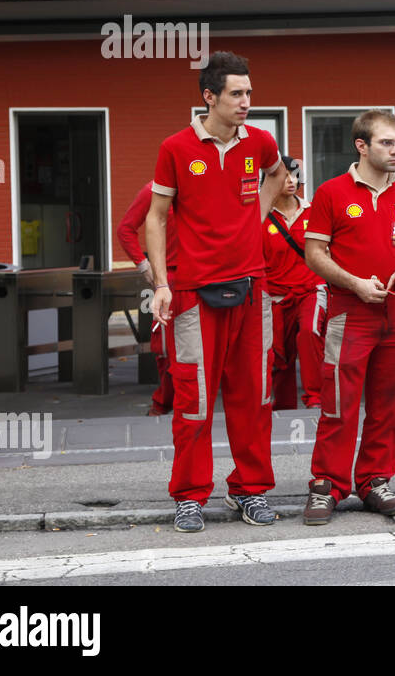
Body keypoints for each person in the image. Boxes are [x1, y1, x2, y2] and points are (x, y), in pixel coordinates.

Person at [147, 52, 288, 533]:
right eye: (237, 94)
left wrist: (258, 216)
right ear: (209, 97)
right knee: (195, 399)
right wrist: (162, 283)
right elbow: (155, 217)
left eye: (249, 93)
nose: (247, 102)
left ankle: (250, 491)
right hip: (192, 292)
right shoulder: (177, 148)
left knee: (255, 396)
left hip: (252, 288)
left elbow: (276, 173)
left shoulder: (261, 142)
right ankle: (189, 496)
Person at [301, 110, 395, 525]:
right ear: (362, 146)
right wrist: (355, 283)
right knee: (339, 405)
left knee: (388, 406)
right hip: (349, 314)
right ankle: (327, 486)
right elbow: (314, 254)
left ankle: (375, 481)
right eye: (387, 143)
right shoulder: (331, 193)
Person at [263, 155, 325, 410]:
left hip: (311, 289)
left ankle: (316, 399)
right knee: (279, 353)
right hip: (275, 295)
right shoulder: (260, 216)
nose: (291, 180)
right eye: (284, 175)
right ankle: (284, 406)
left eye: (294, 174)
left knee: (309, 334)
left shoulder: (314, 211)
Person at [117, 181, 178, 416]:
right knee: (167, 350)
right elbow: (125, 229)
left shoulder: (203, 184)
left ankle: (188, 403)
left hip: (202, 279)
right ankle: (162, 404)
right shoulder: (154, 190)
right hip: (169, 280)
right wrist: (144, 267)